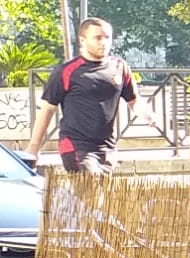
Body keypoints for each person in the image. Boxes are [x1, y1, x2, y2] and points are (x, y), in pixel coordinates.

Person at [27, 18, 138, 175]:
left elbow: (134, 100)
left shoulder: (119, 67)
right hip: (76, 146)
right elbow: (47, 109)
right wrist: (34, 148)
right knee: (90, 186)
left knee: (100, 197)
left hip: (107, 147)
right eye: (98, 38)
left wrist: (147, 115)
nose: (104, 42)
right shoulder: (66, 71)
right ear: (82, 40)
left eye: (108, 37)